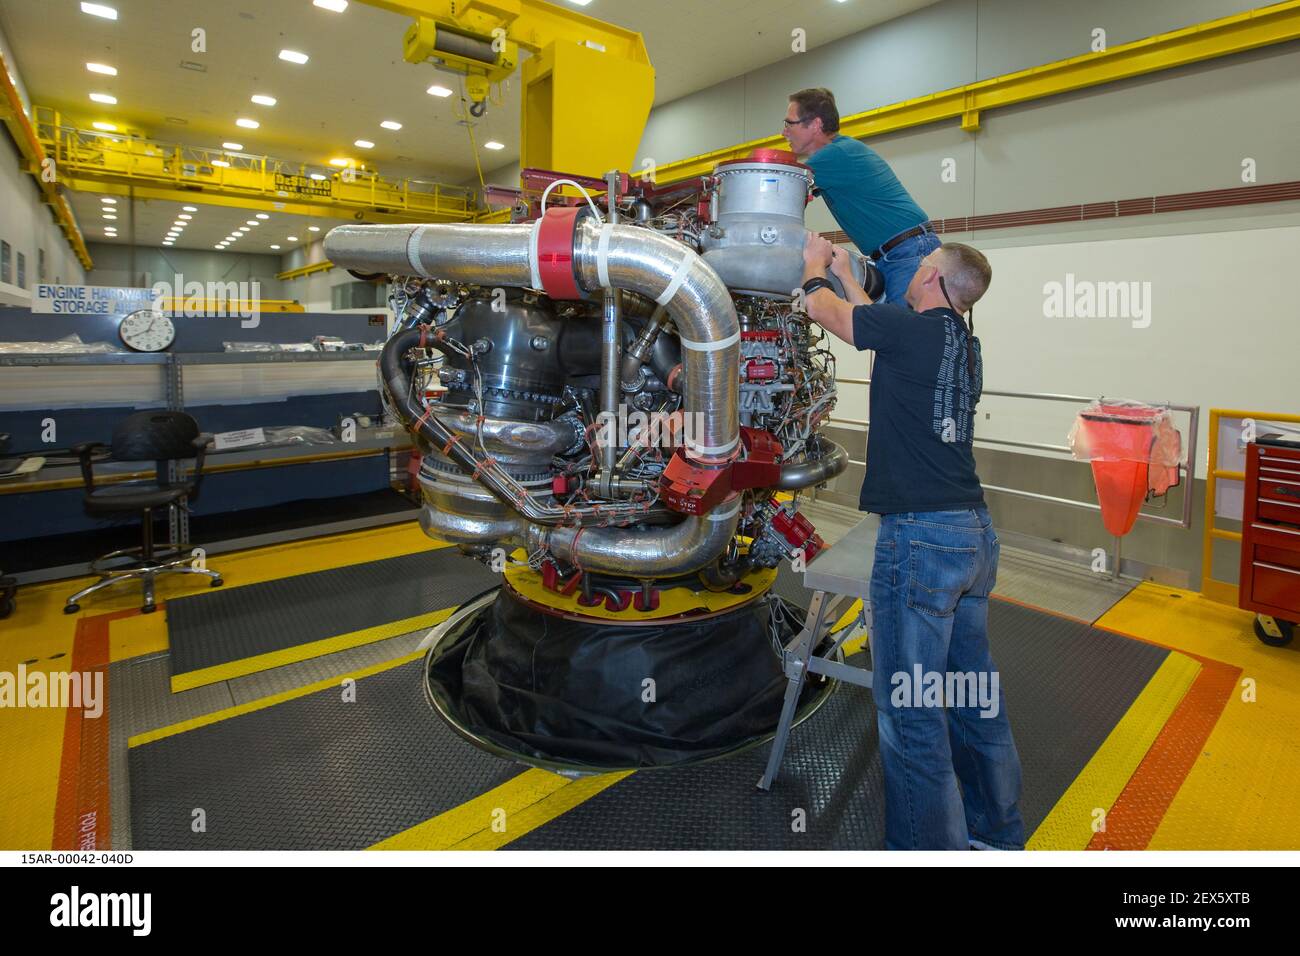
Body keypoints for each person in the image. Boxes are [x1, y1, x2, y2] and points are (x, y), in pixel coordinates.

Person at [800, 233, 1025, 851]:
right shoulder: (961, 343)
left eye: (920, 268)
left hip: (922, 541)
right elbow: (877, 326)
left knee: (910, 713)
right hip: (972, 537)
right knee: (973, 694)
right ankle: (997, 835)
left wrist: (815, 267)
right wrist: (848, 273)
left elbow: (829, 316)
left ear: (931, 280)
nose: (912, 275)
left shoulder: (910, 331)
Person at [783, 87, 938, 306]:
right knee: (894, 331)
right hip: (902, 249)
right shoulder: (840, 153)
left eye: (790, 123)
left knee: (902, 334)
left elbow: (781, 190)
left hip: (907, 250)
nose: (784, 132)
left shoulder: (833, 156)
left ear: (816, 124)